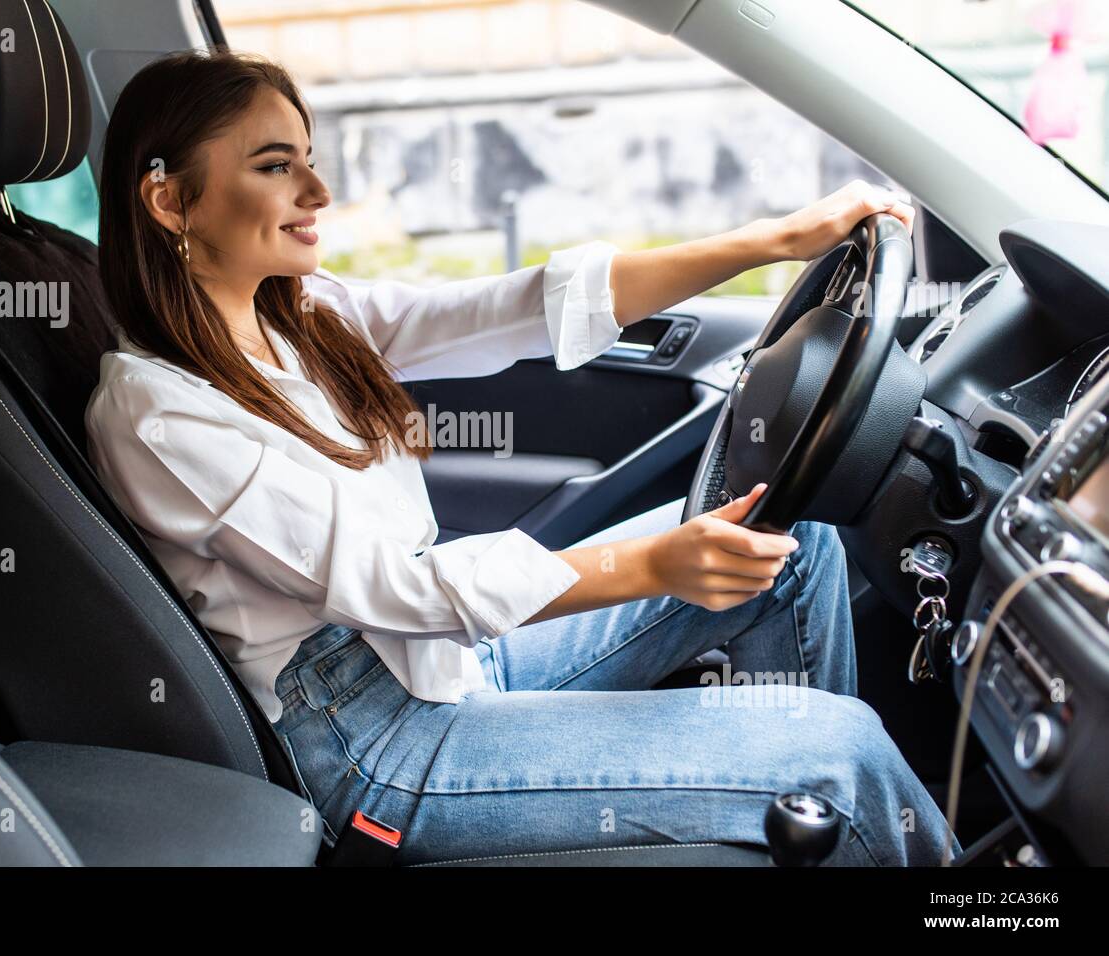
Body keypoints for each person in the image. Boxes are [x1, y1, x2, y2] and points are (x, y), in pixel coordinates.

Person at [85, 48, 958, 866]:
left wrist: (771, 241)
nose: (317, 189)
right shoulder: (155, 411)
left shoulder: (299, 315)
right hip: (373, 739)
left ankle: (807, 837)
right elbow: (400, 588)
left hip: (446, 661)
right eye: (276, 165)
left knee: (791, 548)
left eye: (310, 158)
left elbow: (511, 309)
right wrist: (651, 564)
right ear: (169, 200)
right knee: (837, 753)